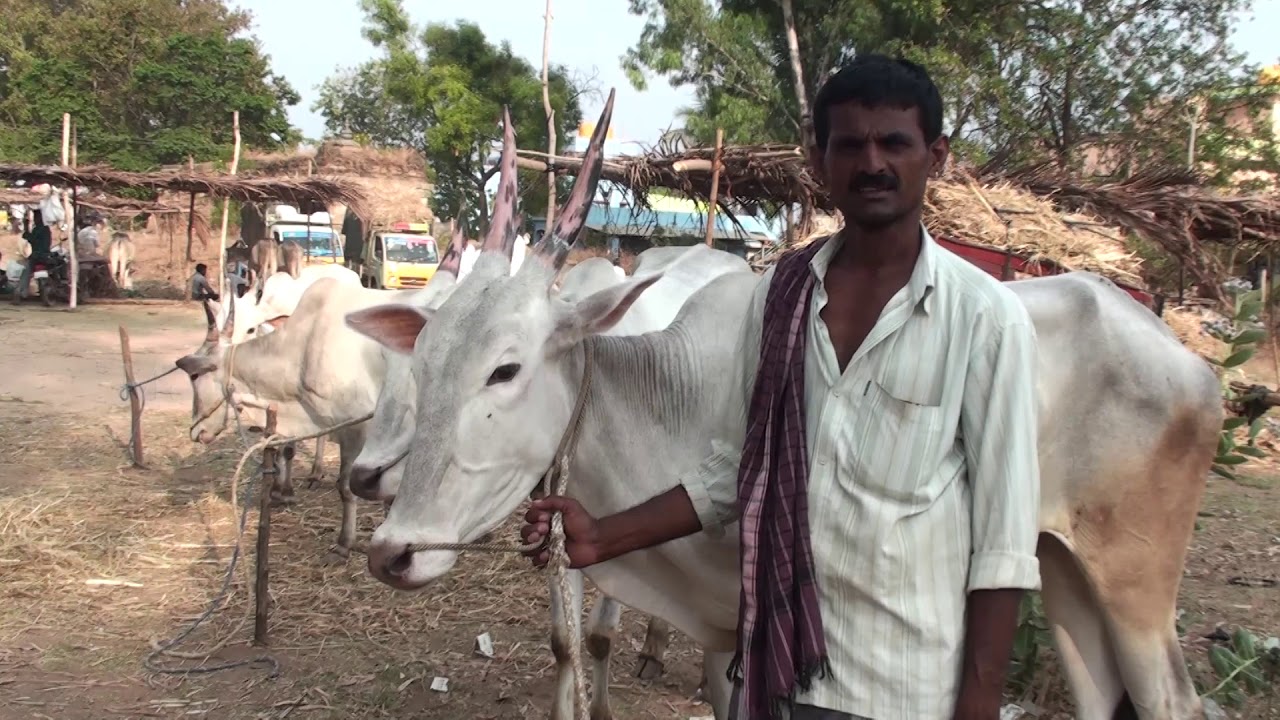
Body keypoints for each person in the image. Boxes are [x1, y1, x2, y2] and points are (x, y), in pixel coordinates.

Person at [520, 54, 1040, 720]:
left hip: (907, 691)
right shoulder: (779, 297)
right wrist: (600, 537)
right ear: (820, 162)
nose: (872, 163)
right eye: (849, 145)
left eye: (895, 144)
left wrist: (980, 702)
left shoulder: (986, 320)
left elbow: (1002, 543)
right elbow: (739, 469)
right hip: (773, 675)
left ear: (934, 156)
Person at [12, 209, 53, 305]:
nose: (35, 219)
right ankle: (23, 293)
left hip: (36, 256)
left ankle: (21, 293)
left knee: (25, 274)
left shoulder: (40, 228)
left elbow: (29, 238)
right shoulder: (45, 229)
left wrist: (26, 228)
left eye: (36, 217)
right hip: (44, 256)